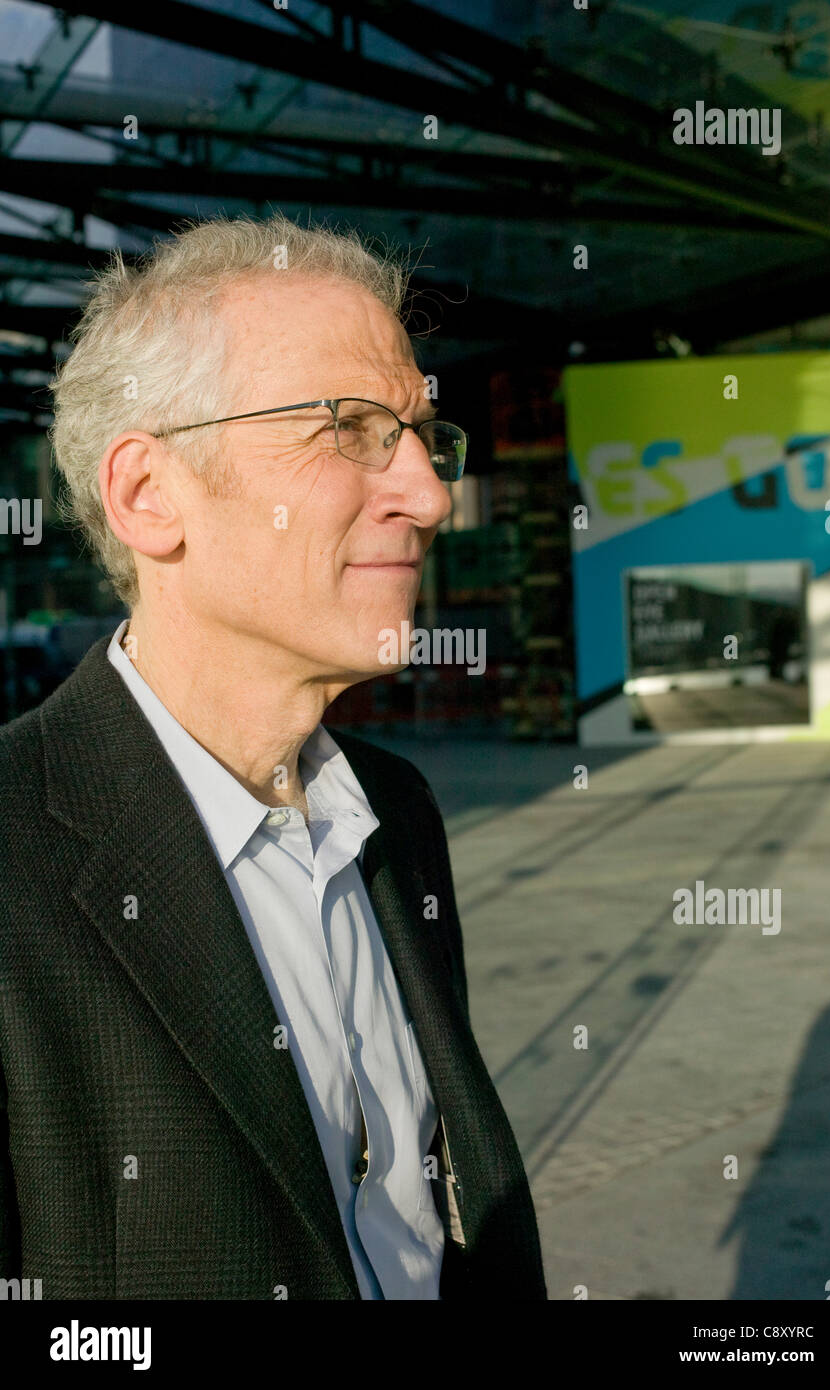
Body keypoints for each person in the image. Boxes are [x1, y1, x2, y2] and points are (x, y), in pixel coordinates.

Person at [0, 215, 546, 1300]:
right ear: (150, 496)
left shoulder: (398, 810)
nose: (429, 495)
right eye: (348, 429)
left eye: (421, 437)